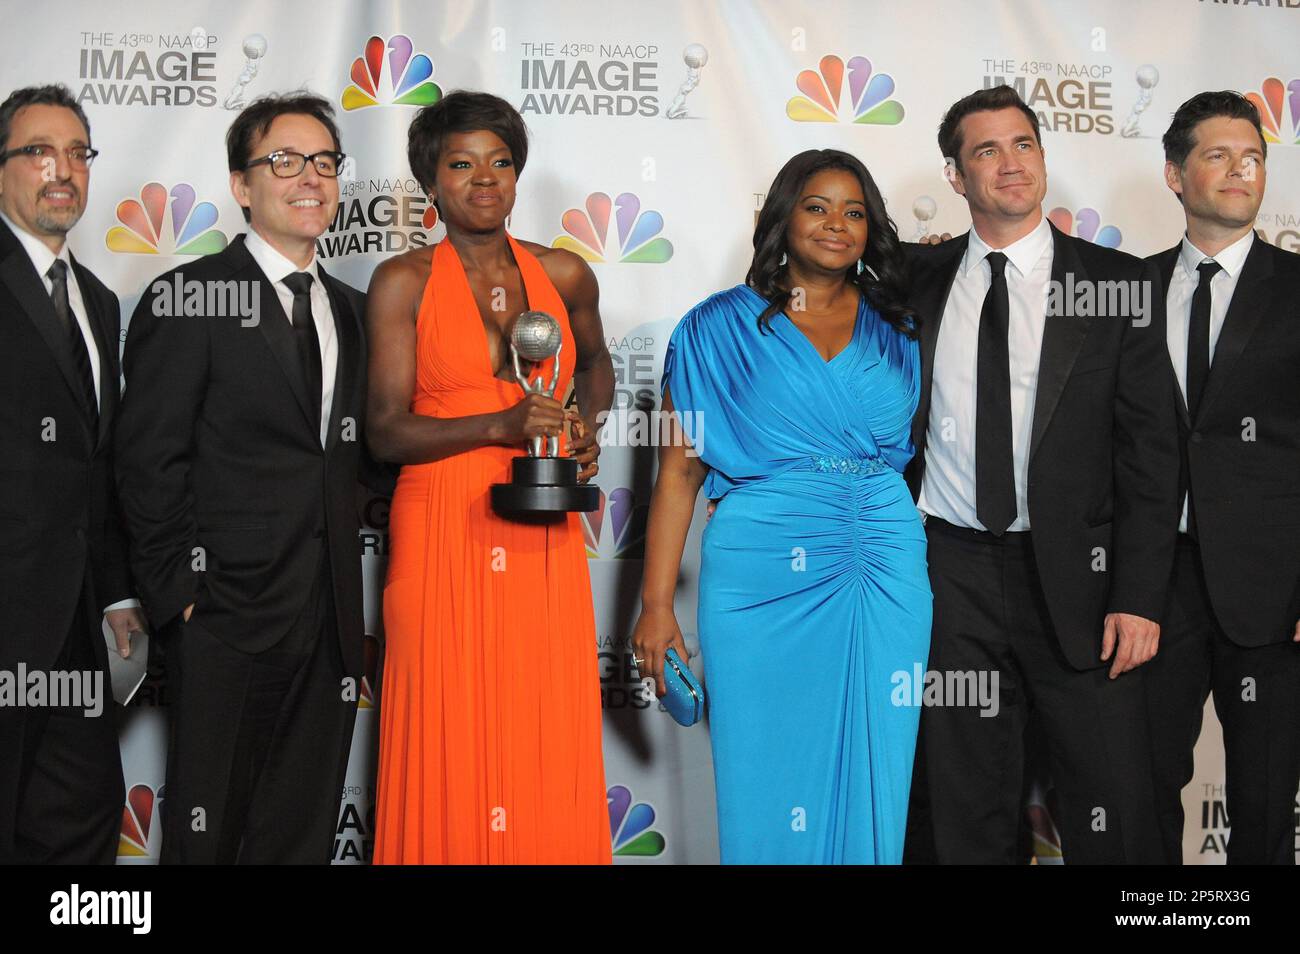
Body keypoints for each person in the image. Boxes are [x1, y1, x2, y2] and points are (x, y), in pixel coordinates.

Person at [901, 85, 1178, 864]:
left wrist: (1137, 594)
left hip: (1083, 581)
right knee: (964, 800)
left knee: (1111, 800)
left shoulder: (1117, 283)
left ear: (1045, 159)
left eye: (1023, 144)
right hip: (950, 573)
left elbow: (1153, 456)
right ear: (956, 176)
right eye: (986, 150)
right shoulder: (914, 284)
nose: (1010, 163)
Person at [632, 149, 930, 864]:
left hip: (882, 567)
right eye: (817, 206)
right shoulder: (713, 330)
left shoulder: (899, 326)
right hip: (762, 570)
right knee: (764, 767)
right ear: (781, 217)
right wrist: (656, 605)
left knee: (876, 769)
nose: (837, 224)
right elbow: (678, 473)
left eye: (855, 212)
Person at [116, 92, 374, 863]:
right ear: (240, 184)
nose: (310, 178)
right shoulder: (187, 296)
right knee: (208, 835)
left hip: (329, 621)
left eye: (325, 163)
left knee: (298, 835)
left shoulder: (359, 312)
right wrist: (182, 601)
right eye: (285, 161)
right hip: (223, 617)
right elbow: (147, 459)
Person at [366, 90, 614, 864]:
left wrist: (582, 421)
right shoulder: (401, 281)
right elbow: (384, 431)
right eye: (462, 163)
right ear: (430, 181)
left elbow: (597, 364)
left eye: (500, 163)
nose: (485, 180)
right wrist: (501, 426)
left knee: (538, 714)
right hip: (441, 518)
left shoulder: (564, 273)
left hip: (542, 526)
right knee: (447, 716)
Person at [1145, 90, 1300, 865]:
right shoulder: (1123, 292)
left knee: (1266, 803)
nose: (1241, 170)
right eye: (1218, 155)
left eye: (1254, 158)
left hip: (1274, 591)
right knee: (1141, 794)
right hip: (1149, 588)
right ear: (1175, 174)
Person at [0, 83, 145, 864]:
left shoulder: (96, 299)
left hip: (75, 628)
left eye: (78, 153)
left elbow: (95, 464)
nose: (62, 170)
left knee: (80, 822)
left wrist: (117, 588)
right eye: (37, 151)